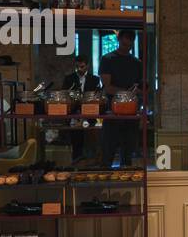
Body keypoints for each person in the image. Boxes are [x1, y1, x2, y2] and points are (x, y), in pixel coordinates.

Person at [99, 30, 143, 168]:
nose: (126, 47)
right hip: (113, 109)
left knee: (128, 152)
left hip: (131, 111)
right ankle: (104, 183)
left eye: (129, 45)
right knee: (108, 149)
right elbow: (107, 87)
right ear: (119, 40)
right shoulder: (108, 59)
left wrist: (139, 89)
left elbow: (141, 86)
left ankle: (127, 181)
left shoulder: (136, 62)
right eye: (124, 44)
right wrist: (126, 93)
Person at [61, 58, 103, 163]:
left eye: (82, 66)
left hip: (90, 112)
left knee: (91, 140)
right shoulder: (69, 78)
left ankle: (91, 162)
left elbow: (97, 95)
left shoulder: (95, 79)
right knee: (76, 140)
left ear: (87, 66)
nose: (79, 69)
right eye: (77, 67)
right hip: (75, 113)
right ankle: (76, 162)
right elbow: (65, 94)